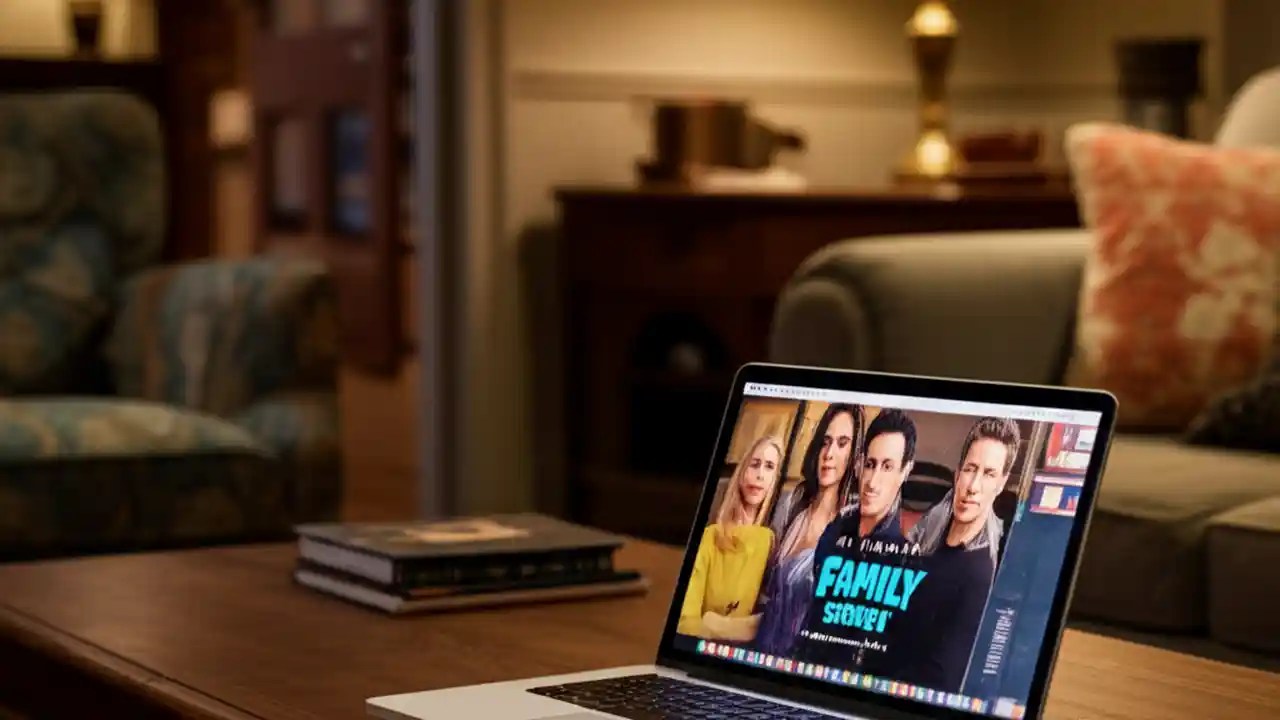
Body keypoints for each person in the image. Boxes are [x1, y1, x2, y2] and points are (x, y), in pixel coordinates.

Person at [877, 417, 1021, 692]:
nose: (973, 486)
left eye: (989, 474)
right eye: (970, 469)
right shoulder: (930, 538)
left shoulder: (977, 574)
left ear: (1001, 483)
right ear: (957, 473)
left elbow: (941, 680)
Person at [799, 409, 919, 667]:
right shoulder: (834, 533)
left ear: (905, 471)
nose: (872, 482)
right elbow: (812, 620)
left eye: (887, 467)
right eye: (870, 464)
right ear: (860, 463)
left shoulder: (906, 561)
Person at [752, 403, 864, 657]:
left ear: (856, 456)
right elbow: (760, 585)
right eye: (826, 441)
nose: (829, 453)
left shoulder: (854, 528)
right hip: (758, 651)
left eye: (842, 443)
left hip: (802, 663)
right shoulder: (791, 505)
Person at [678, 435, 784, 640]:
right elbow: (684, 622)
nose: (760, 474)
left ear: (774, 480)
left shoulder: (769, 541)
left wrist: (711, 621)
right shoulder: (710, 537)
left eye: (769, 467)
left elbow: (773, 619)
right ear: (742, 471)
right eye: (755, 464)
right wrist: (742, 628)